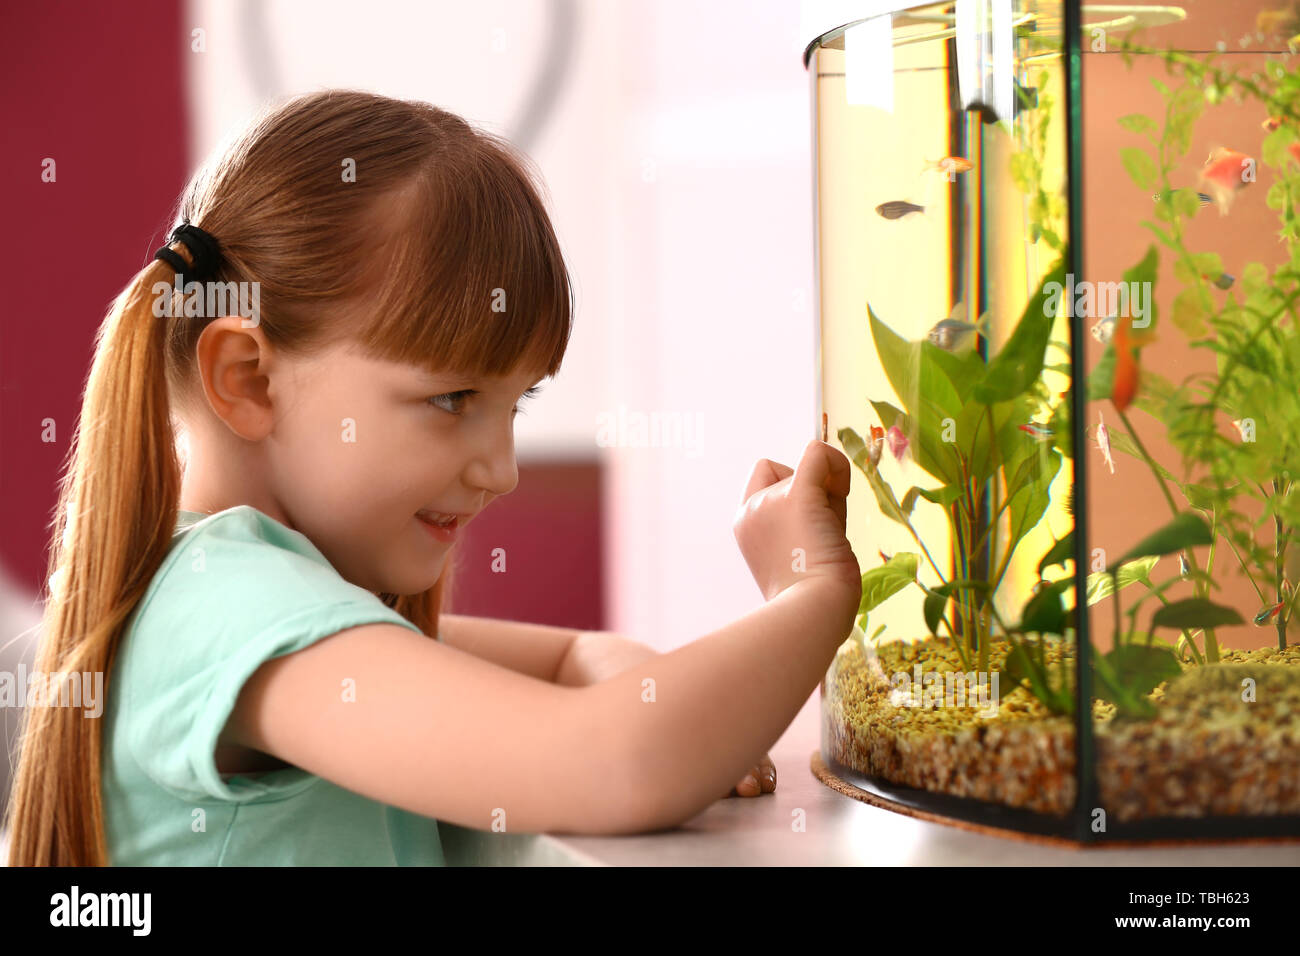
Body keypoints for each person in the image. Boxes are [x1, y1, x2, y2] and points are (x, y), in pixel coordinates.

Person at [3, 89, 861, 865]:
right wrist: (810, 593)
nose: (503, 470)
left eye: (515, 404)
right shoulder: (228, 607)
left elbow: (578, 662)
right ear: (249, 380)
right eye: (452, 398)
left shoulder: (254, 595)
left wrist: (689, 721)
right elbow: (614, 761)